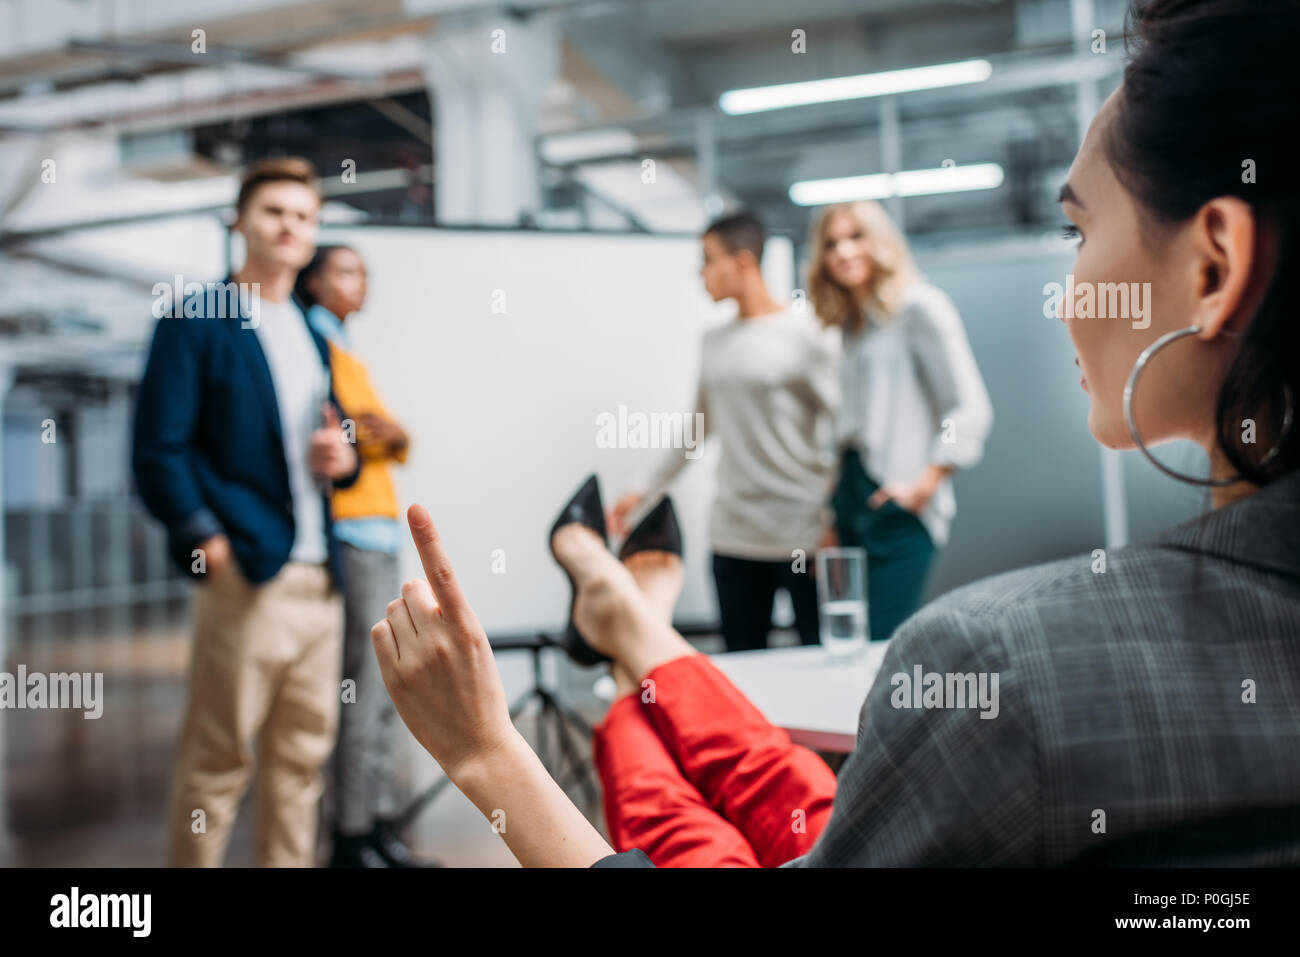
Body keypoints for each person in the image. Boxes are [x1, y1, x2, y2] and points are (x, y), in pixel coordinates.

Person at [366, 0, 1300, 867]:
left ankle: (628, 652)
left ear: (1214, 264)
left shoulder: (997, 665)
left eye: (1074, 231)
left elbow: (921, 418)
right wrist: (650, 494)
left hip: (847, 516)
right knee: (799, 789)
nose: (1066, 295)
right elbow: (701, 429)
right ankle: (639, 639)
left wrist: (488, 753)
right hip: (777, 525)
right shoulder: (800, 337)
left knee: (701, 786)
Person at [133, 158, 360, 867]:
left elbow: (339, 433)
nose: (290, 227)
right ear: (239, 221)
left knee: (301, 762)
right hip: (246, 573)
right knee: (217, 759)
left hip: (321, 575)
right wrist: (209, 539)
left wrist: (341, 456)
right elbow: (157, 448)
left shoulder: (314, 330)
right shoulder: (198, 318)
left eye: (303, 215)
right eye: (273, 212)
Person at [610, 211, 839, 652]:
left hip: (803, 533)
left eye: (708, 259)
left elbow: (841, 431)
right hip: (734, 535)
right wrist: (642, 490)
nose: (701, 273)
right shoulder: (713, 341)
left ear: (744, 262)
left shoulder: (808, 333)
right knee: (744, 665)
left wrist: (833, 519)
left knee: (819, 659)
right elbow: (697, 428)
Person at [293, 245, 427, 868]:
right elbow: (349, 429)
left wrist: (387, 432)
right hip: (352, 532)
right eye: (346, 271)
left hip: (375, 531)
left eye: (365, 272)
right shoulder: (310, 345)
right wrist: (380, 432)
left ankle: (370, 828)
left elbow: (391, 434)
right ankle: (352, 839)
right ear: (314, 281)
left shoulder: (343, 346)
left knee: (376, 694)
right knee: (361, 691)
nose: (361, 283)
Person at [809, 201, 993, 641]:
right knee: (844, 640)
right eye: (831, 243)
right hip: (849, 499)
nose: (843, 252)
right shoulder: (848, 329)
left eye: (856, 237)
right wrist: (830, 513)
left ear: (880, 242)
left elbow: (969, 407)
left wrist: (924, 483)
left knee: (881, 643)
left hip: (896, 497)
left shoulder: (919, 308)